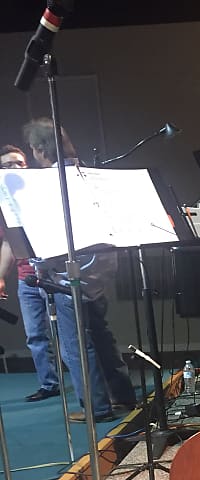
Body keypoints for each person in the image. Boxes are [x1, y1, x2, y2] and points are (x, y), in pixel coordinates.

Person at [22, 117, 136, 422]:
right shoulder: (86, 172)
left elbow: (49, 235)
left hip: (70, 274)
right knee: (100, 335)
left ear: (39, 148)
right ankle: (124, 396)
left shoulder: (49, 184)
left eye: (32, 148)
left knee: (75, 346)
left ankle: (97, 408)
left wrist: (39, 266)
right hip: (101, 268)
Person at [0, 144, 60, 401]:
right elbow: (8, 244)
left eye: (19, 163)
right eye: (7, 165)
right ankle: (49, 384)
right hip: (27, 279)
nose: (15, 168)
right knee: (35, 335)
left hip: (56, 275)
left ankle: (94, 390)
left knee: (74, 336)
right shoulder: (5, 205)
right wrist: (0, 276)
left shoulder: (43, 193)